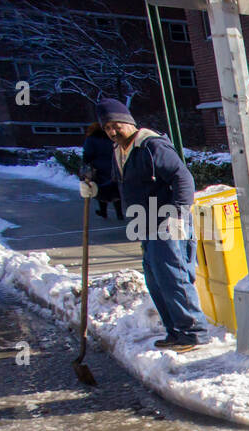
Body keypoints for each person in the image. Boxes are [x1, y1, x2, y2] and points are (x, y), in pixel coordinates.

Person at [79, 98, 209, 352]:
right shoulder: (120, 151)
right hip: (145, 223)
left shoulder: (151, 146)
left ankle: (193, 332)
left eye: (117, 125)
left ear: (129, 122)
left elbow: (182, 177)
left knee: (174, 277)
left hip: (168, 222)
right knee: (156, 280)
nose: (113, 132)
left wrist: (178, 214)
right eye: (107, 128)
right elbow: (123, 188)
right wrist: (96, 191)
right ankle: (176, 331)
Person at [81, 123, 120, 218]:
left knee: (100, 190)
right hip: (113, 165)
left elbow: (88, 154)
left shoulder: (91, 140)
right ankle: (119, 213)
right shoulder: (111, 137)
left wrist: (86, 165)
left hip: (98, 167)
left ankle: (103, 212)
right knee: (115, 189)